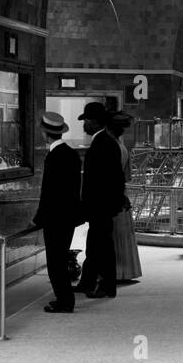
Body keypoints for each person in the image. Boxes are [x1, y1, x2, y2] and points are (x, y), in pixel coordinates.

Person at [32, 111, 83, 312]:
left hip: (55, 219)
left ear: (45, 133)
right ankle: (65, 299)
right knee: (60, 258)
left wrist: (38, 219)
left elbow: (49, 192)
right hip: (69, 217)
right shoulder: (71, 154)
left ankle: (64, 301)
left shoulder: (53, 157)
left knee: (55, 262)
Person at [76, 101, 124, 298]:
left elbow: (106, 179)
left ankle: (107, 285)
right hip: (102, 206)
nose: (84, 124)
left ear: (94, 122)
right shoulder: (104, 141)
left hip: (101, 206)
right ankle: (88, 281)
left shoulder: (103, 143)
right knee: (95, 244)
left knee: (102, 245)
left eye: (86, 120)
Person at [108, 110, 142, 282]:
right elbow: (127, 175)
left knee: (115, 234)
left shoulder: (112, 146)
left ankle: (118, 271)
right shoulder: (123, 147)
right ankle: (127, 271)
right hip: (122, 193)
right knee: (124, 233)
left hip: (115, 195)